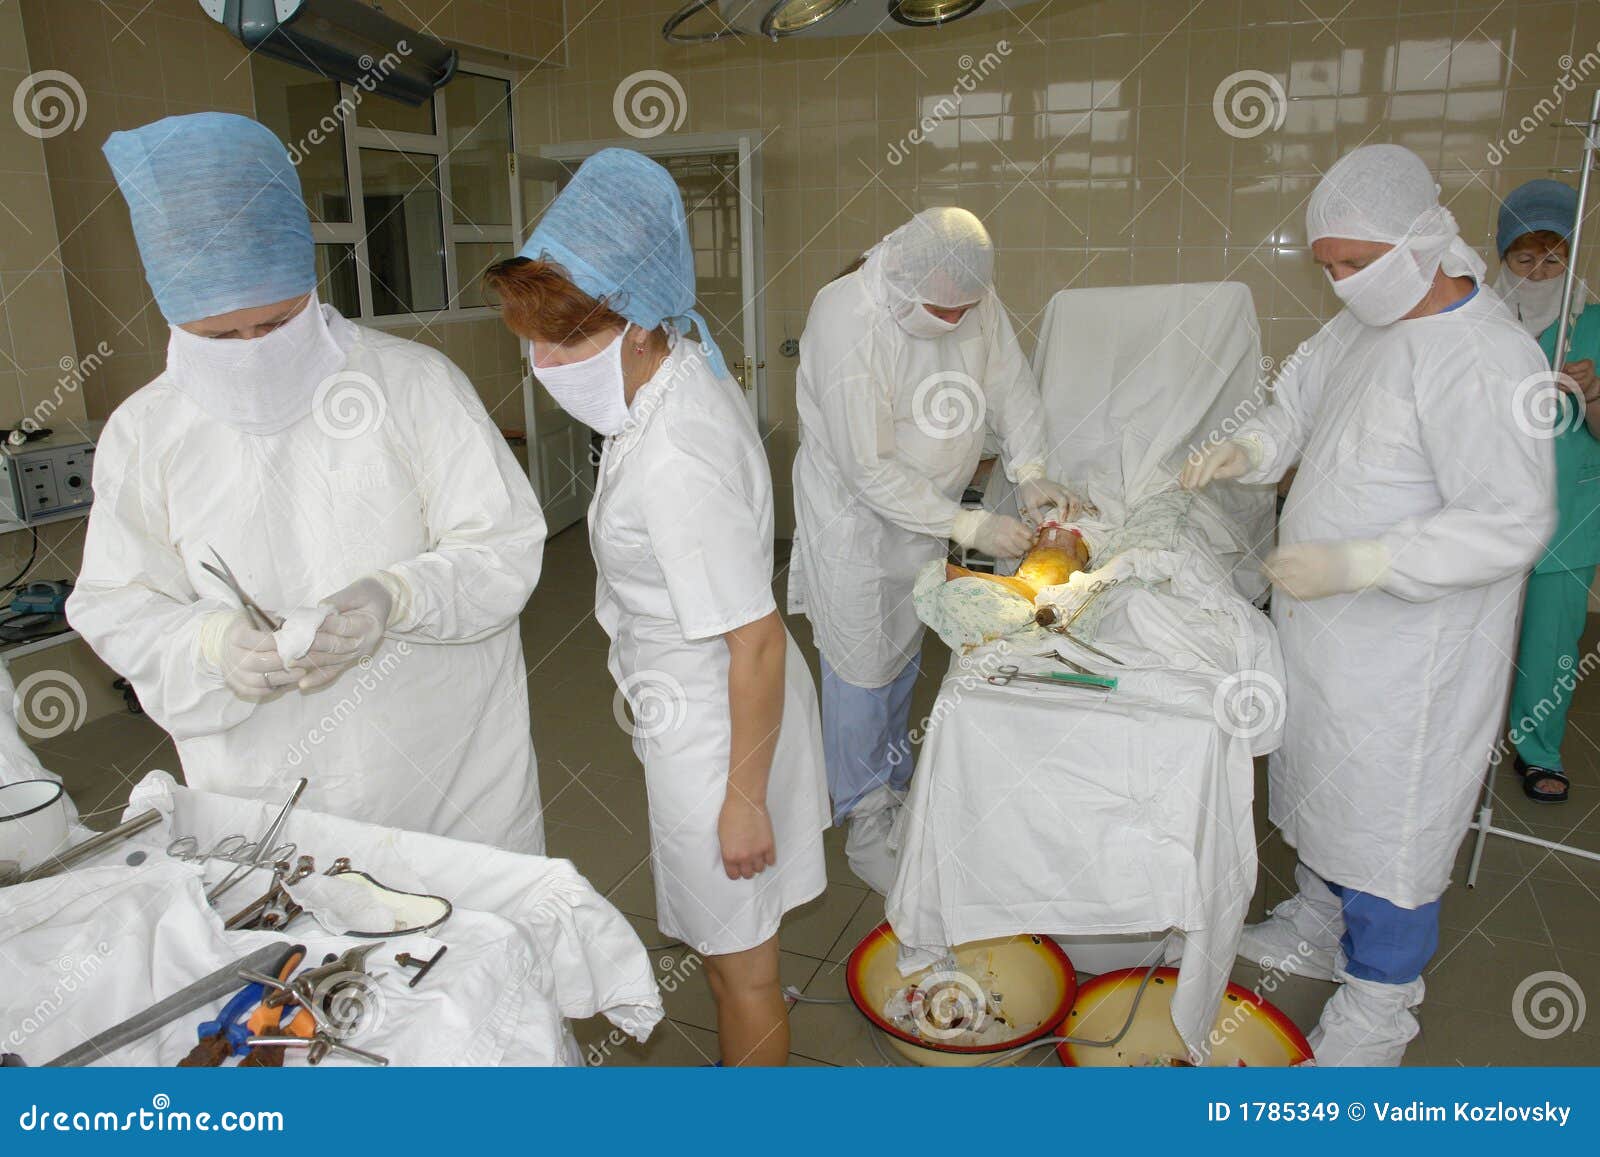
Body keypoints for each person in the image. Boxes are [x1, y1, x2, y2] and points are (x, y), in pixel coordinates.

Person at [67, 113, 547, 852]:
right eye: (222, 337)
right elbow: (115, 604)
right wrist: (210, 644)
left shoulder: (414, 384)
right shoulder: (145, 431)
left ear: (308, 286)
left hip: (447, 785)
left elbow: (505, 548)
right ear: (173, 317)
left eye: (277, 322)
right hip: (262, 800)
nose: (253, 352)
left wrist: (398, 595)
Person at [1181, 144, 1556, 1065]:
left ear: (1420, 240)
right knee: (1319, 786)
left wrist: (1367, 558)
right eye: (1329, 268)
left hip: (1412, 657)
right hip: (1328, 640)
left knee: (1391, 821)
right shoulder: (1360, 329)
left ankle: (1381, 1004)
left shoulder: (1485, 357)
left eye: (1355, 264)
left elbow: (1514, 521)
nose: (1341, 284)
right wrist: (1247, 450)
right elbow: (1294, 406)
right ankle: (1316, 916)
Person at [485, 148, 828, 1067]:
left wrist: (742, 801)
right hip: (708, 710)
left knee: (742, 975)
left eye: (564, 340)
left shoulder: (674, 452)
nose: (542, 361)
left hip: (723, 733)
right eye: (532, 336)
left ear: (637, 324)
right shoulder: (674, 374)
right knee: (731, 958)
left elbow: (756, 640)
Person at [789, 207, 1074, 893]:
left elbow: (1010, 381)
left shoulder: (968, 291)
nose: (959, 322)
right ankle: (862, 818)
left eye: (966, 309)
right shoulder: (846, 317)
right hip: (856, 521)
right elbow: (867, 467)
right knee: (860, 661)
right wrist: (969, 527)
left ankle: (894, 785)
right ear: (907, 282)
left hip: (925, 519)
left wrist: (1031, 468)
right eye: (945, 311)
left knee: (903, 649)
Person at [1495, 179, 1600, 804]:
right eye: (1523, 257)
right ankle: (1459, 741)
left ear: (1573, 256)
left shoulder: (1594, 324)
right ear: (1503, 255)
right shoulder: (1480, 320)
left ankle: (1537, 752)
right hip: (1487, 509)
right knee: (1469, 635)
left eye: (1553, 256)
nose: (1538, 271)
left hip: (1570, 512)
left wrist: (1589, 393)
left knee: (1551, 642)